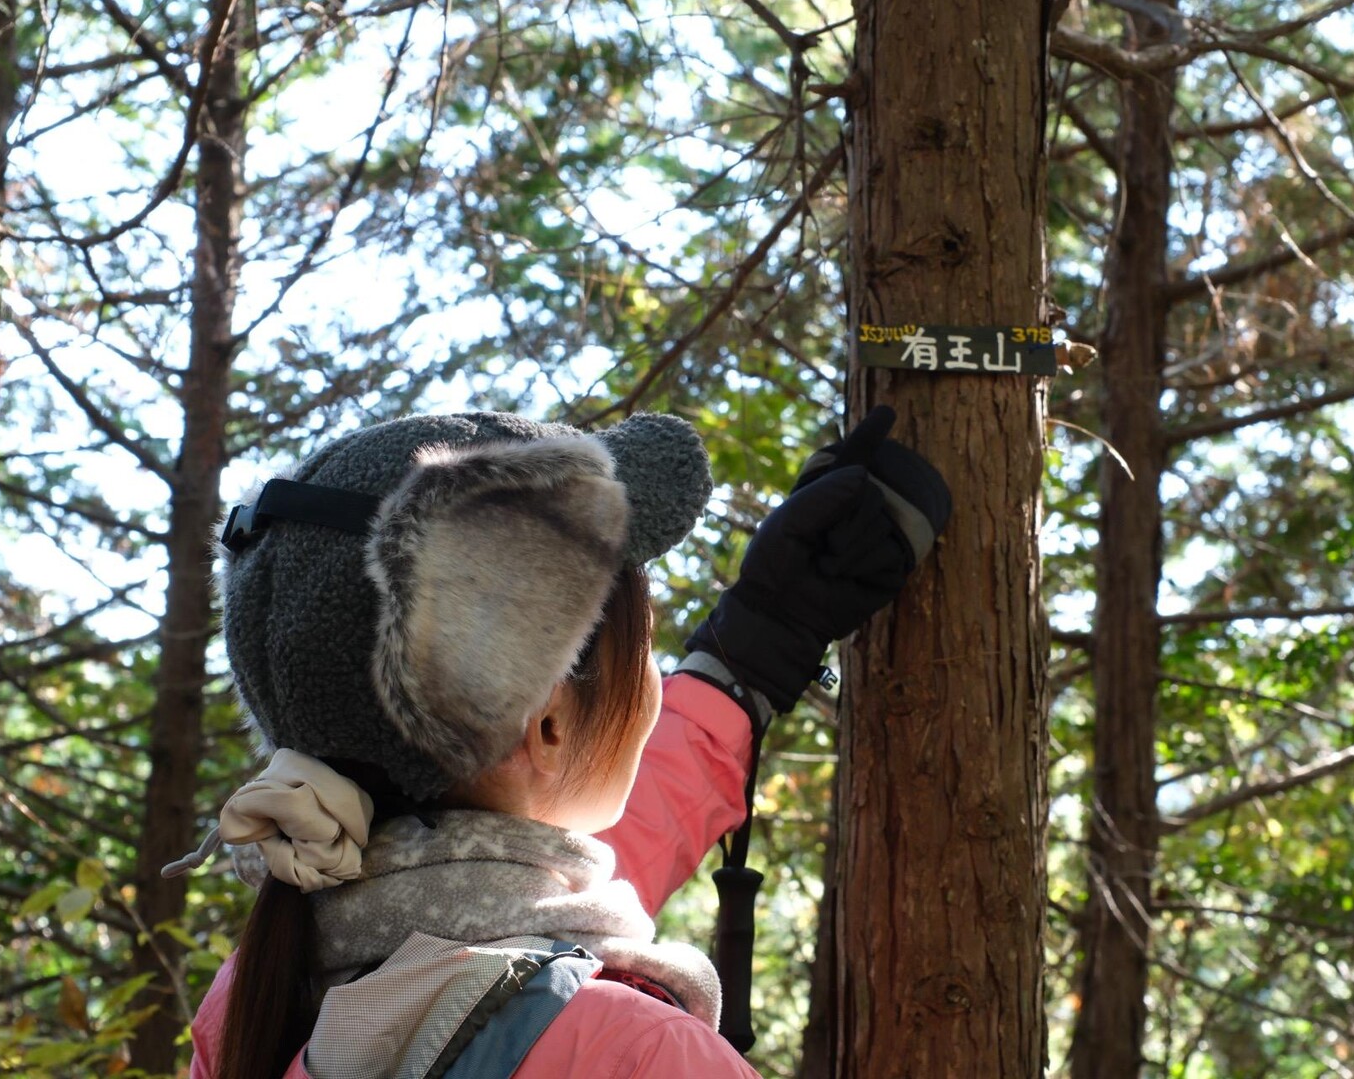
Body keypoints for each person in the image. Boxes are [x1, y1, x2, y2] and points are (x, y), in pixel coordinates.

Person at [170, 405, 949, 1078]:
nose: (651, 673)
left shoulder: (259, 995)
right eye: (639, 648)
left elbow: (528, 861)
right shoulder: (642, 1056)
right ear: (546, 723)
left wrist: (759, 645)